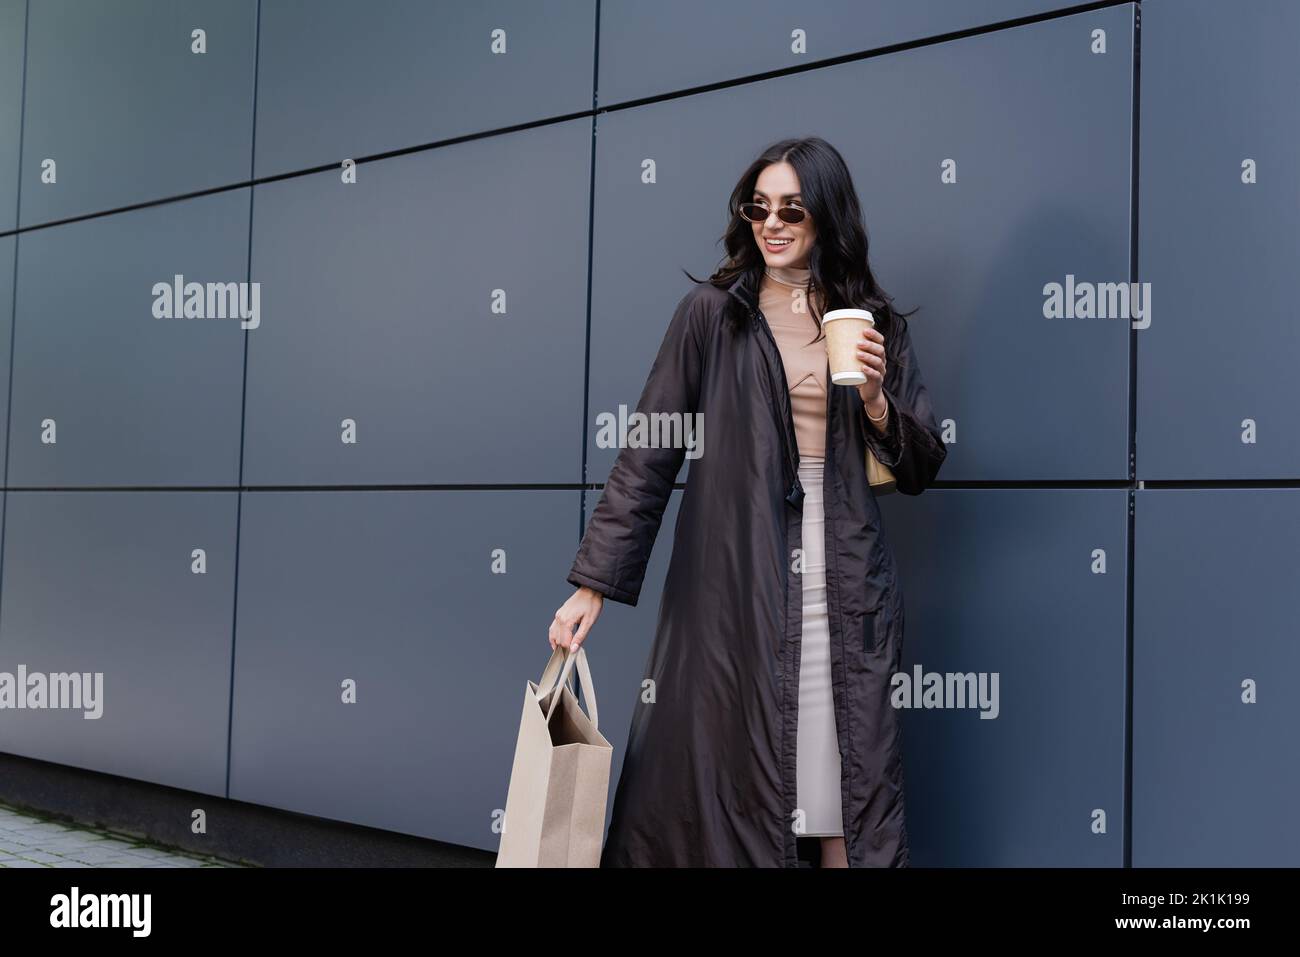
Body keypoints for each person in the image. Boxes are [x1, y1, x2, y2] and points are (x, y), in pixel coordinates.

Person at [549, 136, 947, 868]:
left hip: (845, 576)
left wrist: (875, 397)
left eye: (792, 210)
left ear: (826, 217)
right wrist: (592, 584)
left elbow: (921, 463)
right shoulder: (712, 315)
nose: (772, 224)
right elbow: (648, 452)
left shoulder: (873, 320)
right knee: (730, 791)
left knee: (845, 795)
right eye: (758, 208)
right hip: (737, 578)